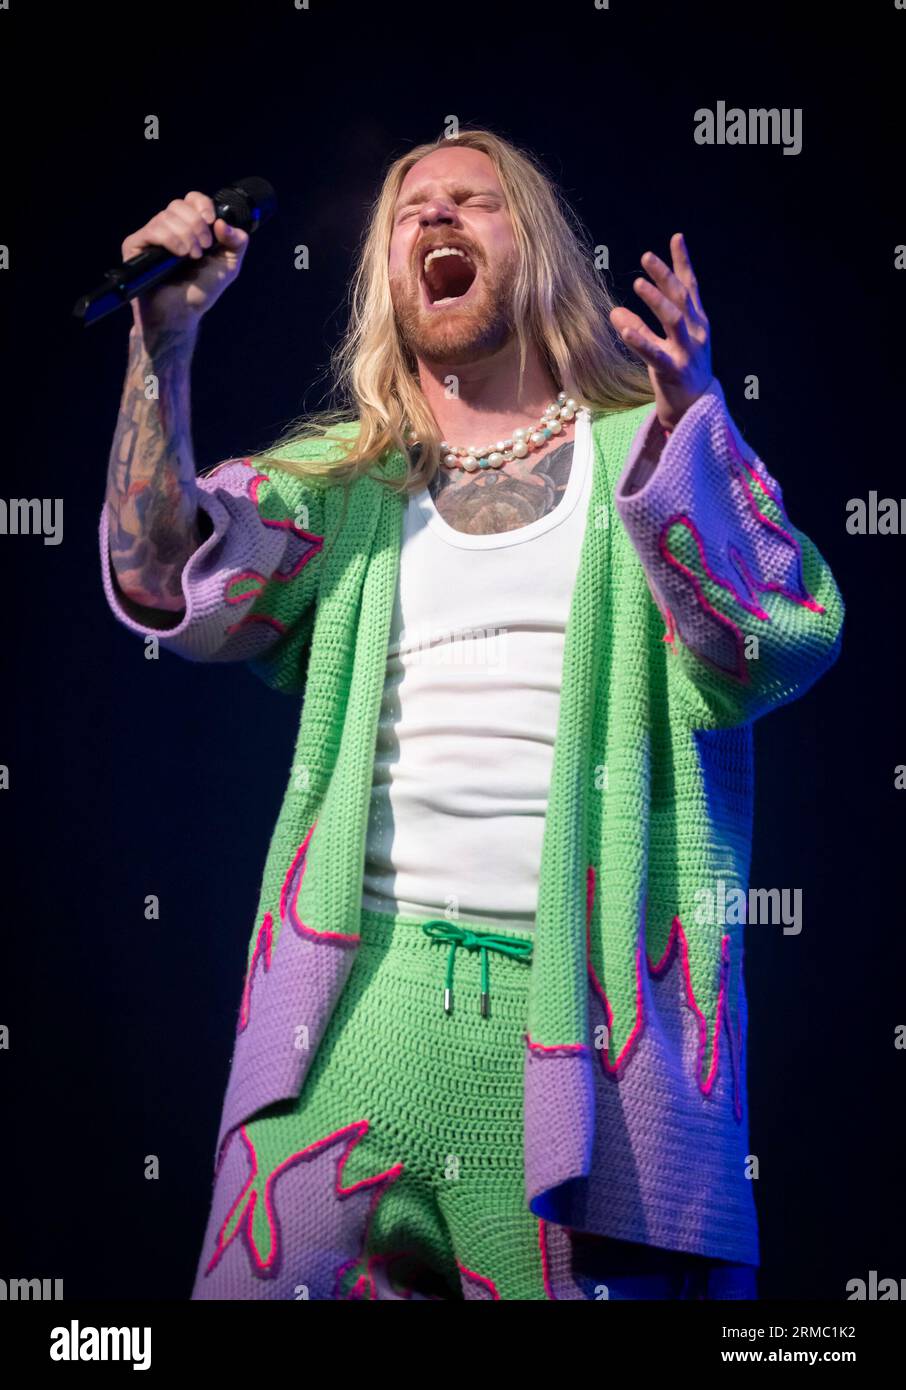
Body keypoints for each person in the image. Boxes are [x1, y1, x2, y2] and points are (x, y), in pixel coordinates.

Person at [99, 130, 843, 1301]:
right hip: (351, 1016)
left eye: (474, 201)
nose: (436, 217)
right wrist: (164, 342)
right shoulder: (345, 481)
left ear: (538, 250)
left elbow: (783, 637)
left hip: (590, 1046)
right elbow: (159, 574)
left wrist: (697, 422)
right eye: (410, 210)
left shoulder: (641, 450)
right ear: (389, 276)